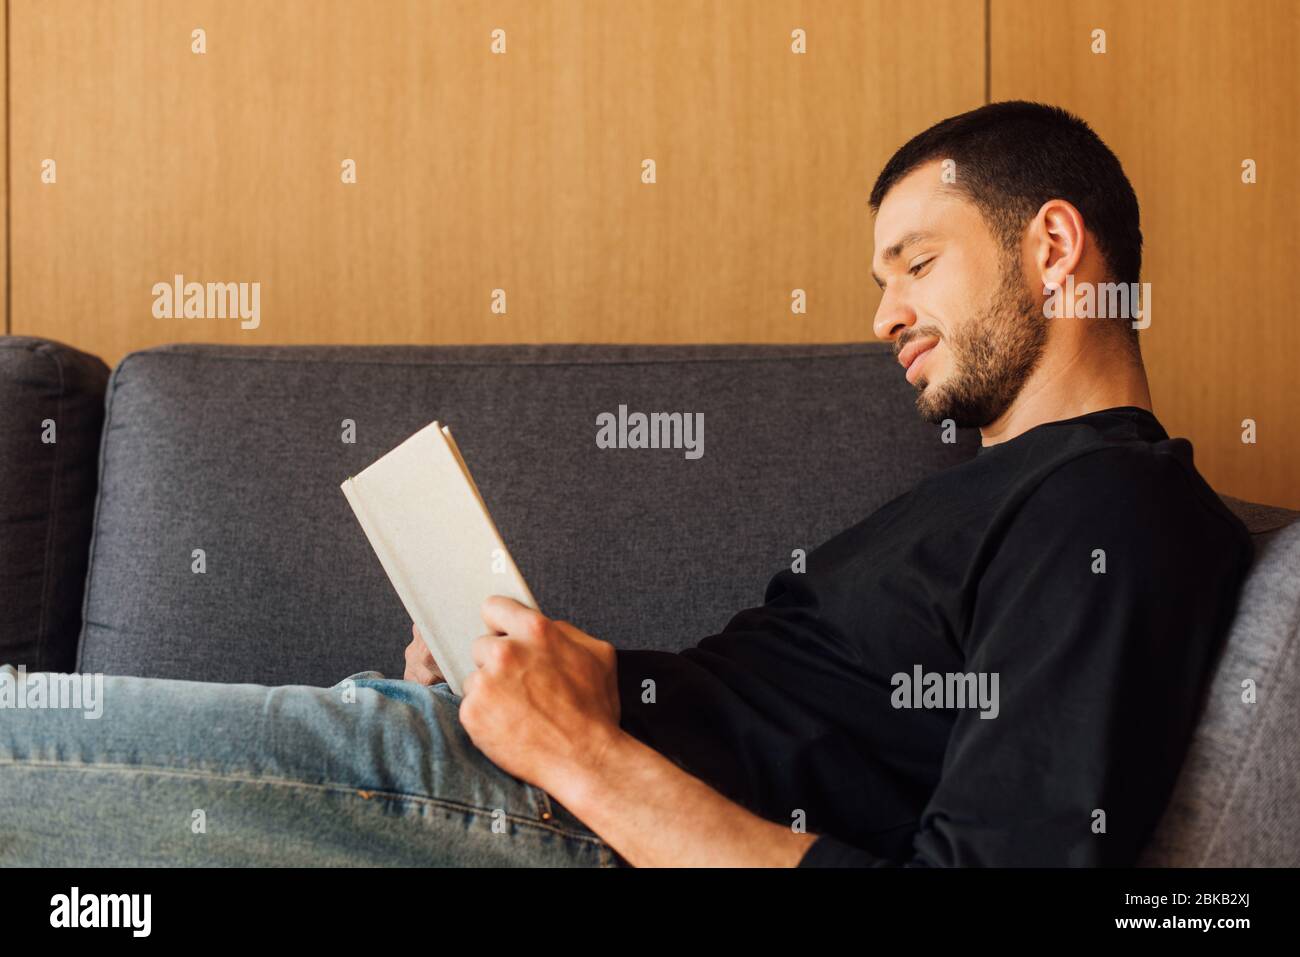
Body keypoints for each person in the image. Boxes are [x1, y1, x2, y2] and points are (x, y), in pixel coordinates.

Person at [0, 101, 1253, 867]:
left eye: (914, 265)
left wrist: (580, 754)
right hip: (513, 778)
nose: (884, 317)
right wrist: (584, 678)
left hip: (553, 819)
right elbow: (789, 719)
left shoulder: (1113, 514)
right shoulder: (992, 496)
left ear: (1050, 246)